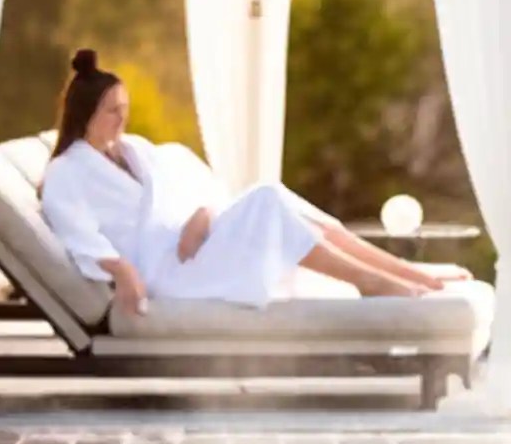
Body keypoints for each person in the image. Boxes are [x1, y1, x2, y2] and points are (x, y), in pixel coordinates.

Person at [41, 49, 470, 316]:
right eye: (112, 110)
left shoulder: (134, 150)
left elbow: (193, 190)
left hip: (193, 246)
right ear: (85, 112)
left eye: (124, 107)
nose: (123, 118)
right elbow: (80, 238)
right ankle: (370, 282)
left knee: (277, 196)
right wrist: (125, 272)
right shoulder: (67, 173)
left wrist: (204, 216)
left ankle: (402, 270)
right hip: (170, 270)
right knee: (265, 199)